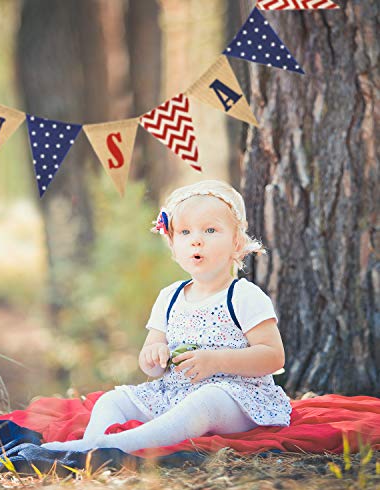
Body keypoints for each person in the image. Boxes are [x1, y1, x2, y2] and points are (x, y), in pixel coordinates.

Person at [42, 179, 292, 454]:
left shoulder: (244, 296)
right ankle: (89, 446)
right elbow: (151, 360)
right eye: (185, 232)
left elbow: (273, 356)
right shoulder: (170, 297)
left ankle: (121, 445)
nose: (196, 239)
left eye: (210, 230)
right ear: (173, 246)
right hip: (175, 393)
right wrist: (154, 356)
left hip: (236, 397)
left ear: (236, 242)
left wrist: (217, 360)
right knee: (113, 400)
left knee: (207, 400)